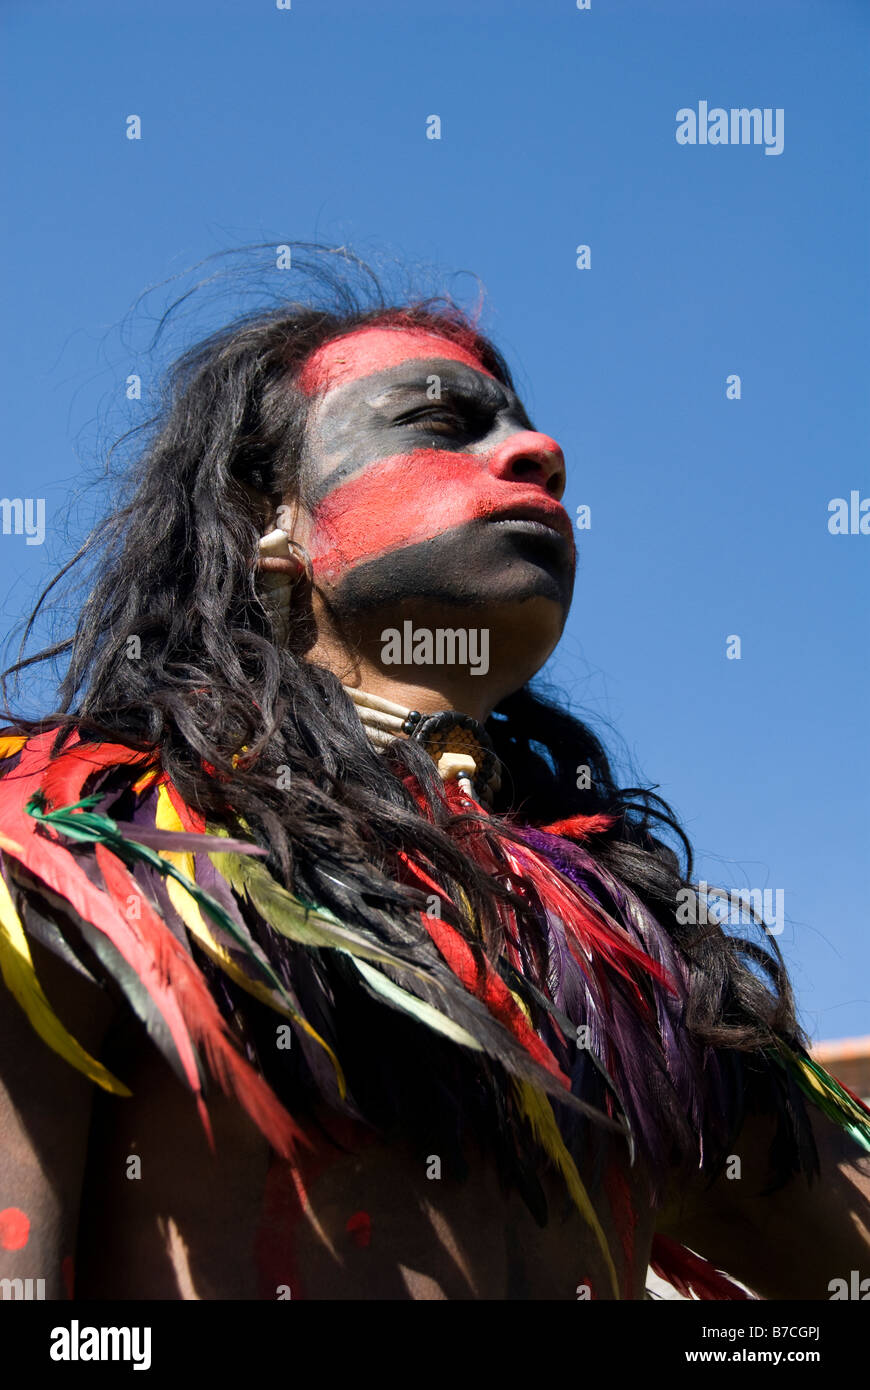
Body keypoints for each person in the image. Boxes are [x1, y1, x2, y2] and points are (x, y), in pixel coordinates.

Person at [0, 258, 867, 1301]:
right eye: (439, 425)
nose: (541, 455)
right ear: (269, 517)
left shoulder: (642, 963)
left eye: (527, 437)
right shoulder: (83, 844)